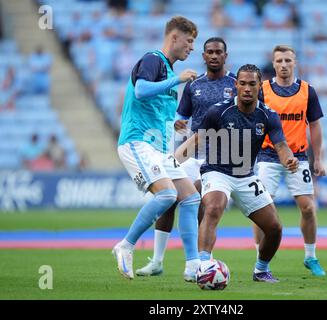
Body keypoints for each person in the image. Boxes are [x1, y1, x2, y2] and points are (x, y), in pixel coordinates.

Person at [175, 64, 299, 283]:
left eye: (252, 84)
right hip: (217, 171)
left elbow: (281, 146)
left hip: (246, 176)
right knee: (213, 207)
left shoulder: (268, 115)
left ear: (259, 86)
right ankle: (204, 266)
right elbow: (196, 140)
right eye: (243, 83)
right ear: (236, 85)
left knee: (274, 228)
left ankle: (261, 270)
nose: (247, 88)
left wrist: (288, 158)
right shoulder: (218, 111)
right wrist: (172, 162)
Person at [136, 37, 237, 277]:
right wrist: (179, 125)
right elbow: (180, 119)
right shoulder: (193, 85)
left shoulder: (236, 84)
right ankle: (158, 261)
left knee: (202, 199)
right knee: (169, 198)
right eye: (209, 52)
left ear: (225, 55)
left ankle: (202, 261)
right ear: (203, 56)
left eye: (218, 52)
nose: (213, 56)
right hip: (192, 153)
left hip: (223, 157)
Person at [113, 16, 201, 281]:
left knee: (190, 197)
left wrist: (175, 126)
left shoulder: (169, 71)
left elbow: (153, 108)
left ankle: (193, 265)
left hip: (157, 149)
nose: (192, 47)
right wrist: (177, 81)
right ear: (174, 38)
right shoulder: (153, 59)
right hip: (136, 142)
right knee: (166, 196)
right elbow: (140, 90)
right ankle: (125, 246)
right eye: (189, 41)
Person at [254, 45, 327, 276]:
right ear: (273, 64)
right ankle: (260, 258)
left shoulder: (308, 91)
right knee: (260, 209)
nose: (284, 65)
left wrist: (319, 159)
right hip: (268, 156)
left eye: (288, 60)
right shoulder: (262, 90)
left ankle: (310, 256)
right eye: (279, 61)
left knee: (308, 208)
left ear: (294, 63)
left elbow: (314, 125)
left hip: (298, 157)